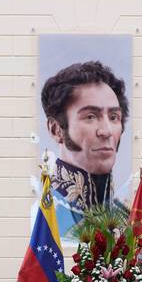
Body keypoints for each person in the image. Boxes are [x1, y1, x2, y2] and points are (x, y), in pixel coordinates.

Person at [40, 60, 129, 244]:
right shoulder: (42, 216)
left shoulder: (130, 220)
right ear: (56, 129)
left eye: (114, 117)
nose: (106, 131)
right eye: (90, 117)